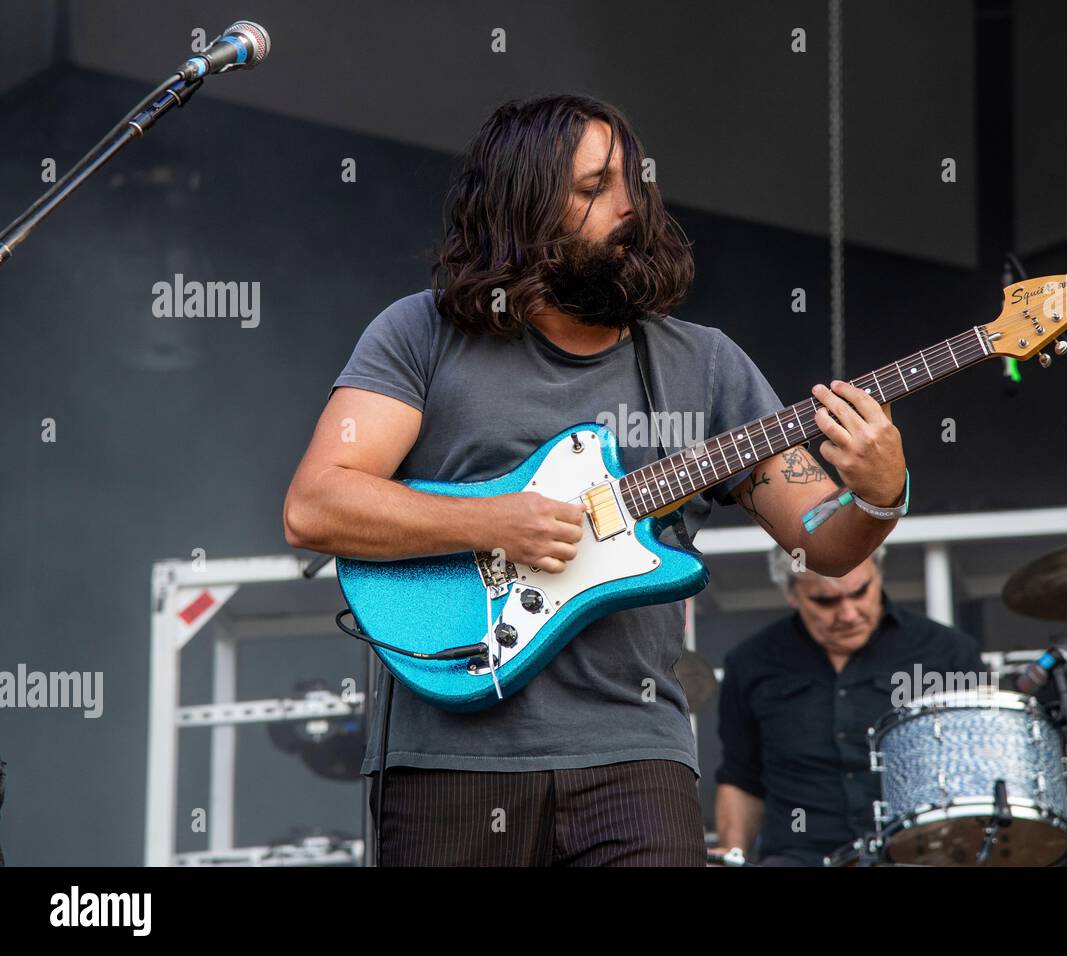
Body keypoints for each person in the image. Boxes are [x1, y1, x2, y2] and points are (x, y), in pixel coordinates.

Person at [283, 94, 906, 866]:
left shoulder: (705, 363)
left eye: (631, 185)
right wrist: (493, 524)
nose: (628, 208)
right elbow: (316, 505)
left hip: (635, 756)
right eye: (592, 189)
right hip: (448, 760)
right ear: (523, 210)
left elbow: (827, 543)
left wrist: (879, 493)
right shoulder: (420, 333)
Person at [714, 545, 983, 866]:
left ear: (878, 575)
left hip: (922, 851)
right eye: (825, 601)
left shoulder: (948, 652)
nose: (848, 614)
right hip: (798, 855)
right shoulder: (750, 662)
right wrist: (734, 853)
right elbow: (741, 778)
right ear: (791, 594)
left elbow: (981, 762)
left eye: (860, 592)